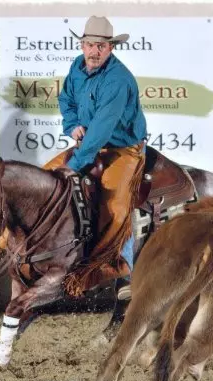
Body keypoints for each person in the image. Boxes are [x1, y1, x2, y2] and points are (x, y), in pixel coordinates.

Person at [43, 16, 148, 300]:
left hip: (121, 149)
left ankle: (121, 267)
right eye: (90, 44)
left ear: (111, 48)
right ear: (81, 44)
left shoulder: (118, 80)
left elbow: (102, 130)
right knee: (43, 178)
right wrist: (72, 124)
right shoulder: (77, 67)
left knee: (115, 205)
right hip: (89, 141)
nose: (94, 51)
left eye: (101, 46)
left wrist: (73, 167)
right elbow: (66, 100)